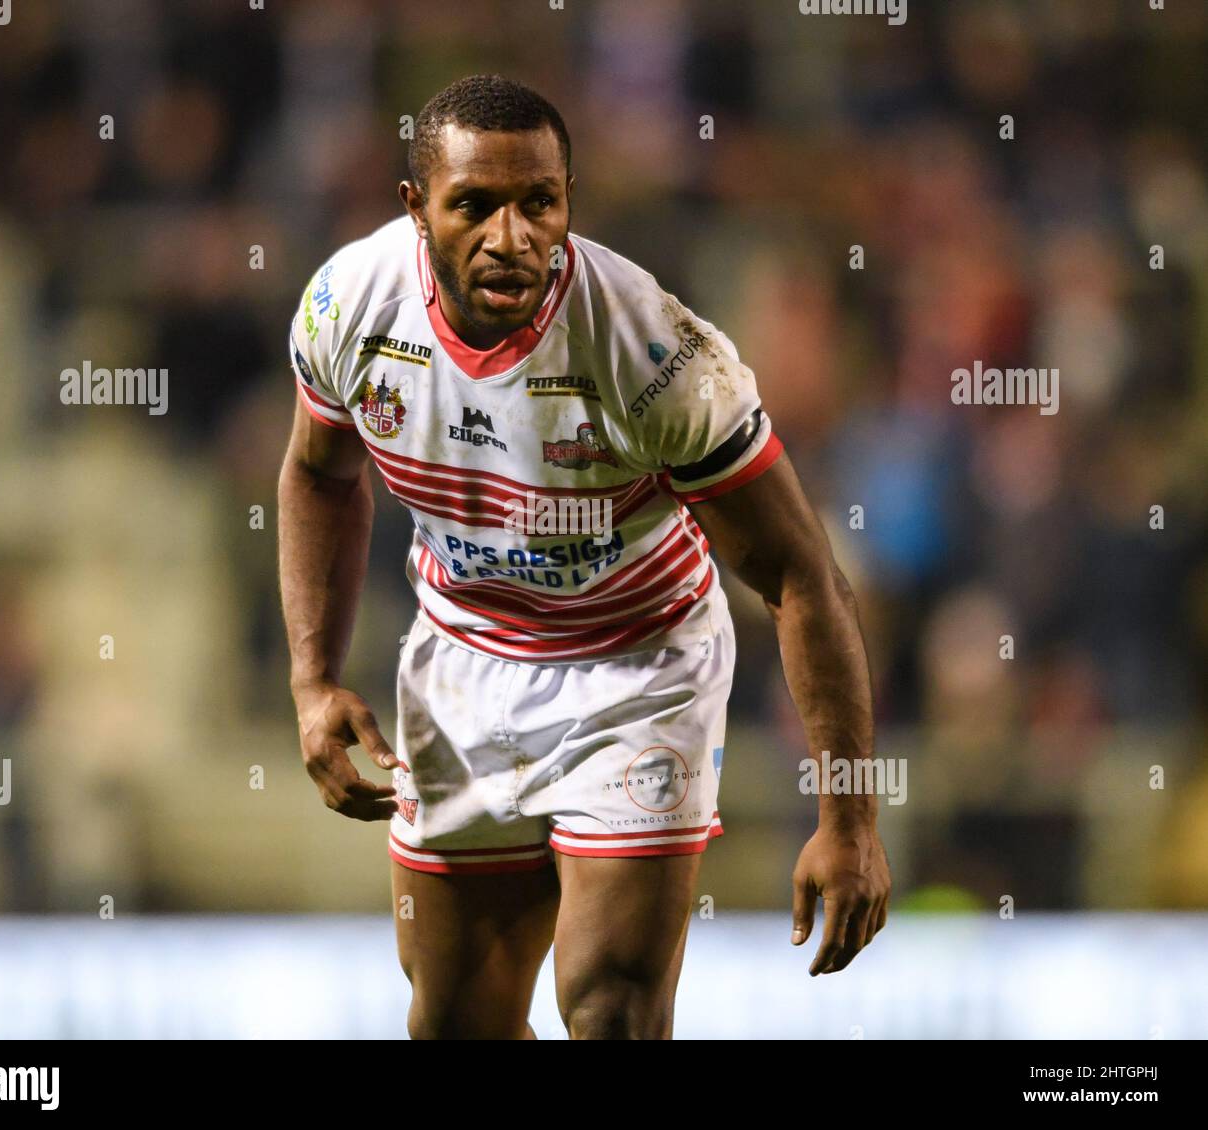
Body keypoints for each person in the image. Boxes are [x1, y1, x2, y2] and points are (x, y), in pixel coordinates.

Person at [278, 73, 889, 1040]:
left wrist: (848, 820)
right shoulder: (351, 306)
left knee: (609, 1008)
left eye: (540, 203)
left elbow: (800, 576)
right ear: (415, 209)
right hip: (464, 659)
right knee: (454, 1023)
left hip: (637, 666)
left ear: (570, 202)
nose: (511, 236)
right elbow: (318, 475)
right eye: (475, 204)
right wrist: (313, 680)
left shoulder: (657, 355)